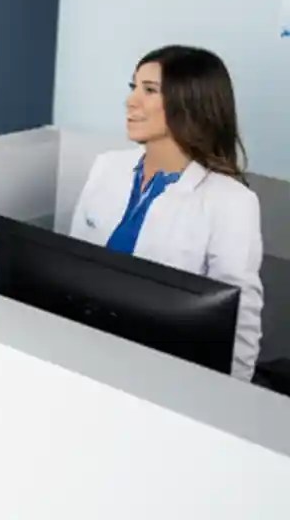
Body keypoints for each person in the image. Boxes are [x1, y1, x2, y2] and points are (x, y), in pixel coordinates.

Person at [69, 45, 263, 380]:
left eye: (150, 90)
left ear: (189, 103)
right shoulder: (107, 167)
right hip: (87, 349)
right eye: (133, 87)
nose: (131, 101)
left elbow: (240, 319)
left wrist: (233, 400)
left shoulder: (231, 201)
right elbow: (71, 266)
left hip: (163, 370)